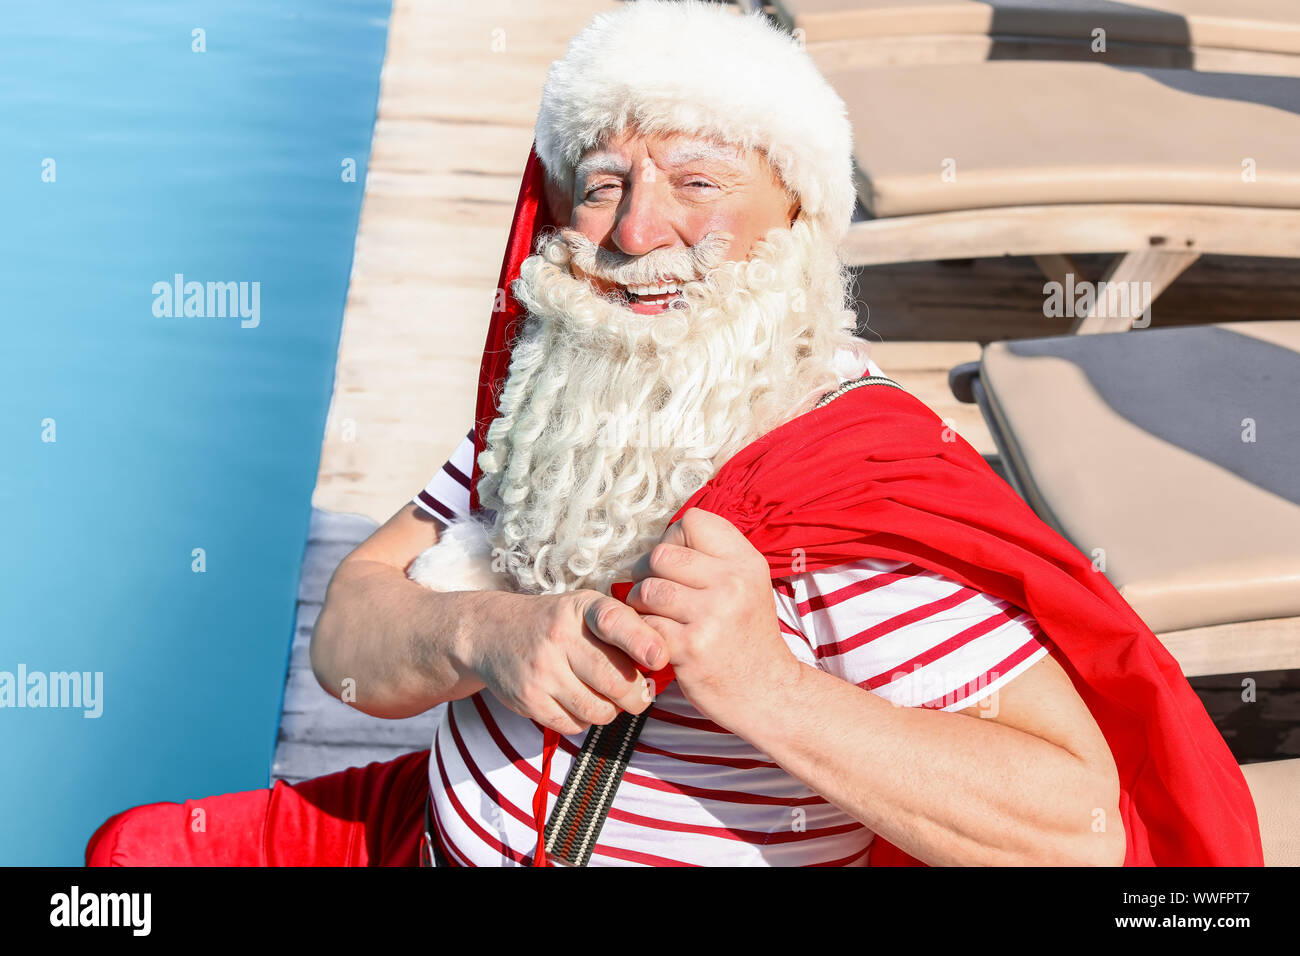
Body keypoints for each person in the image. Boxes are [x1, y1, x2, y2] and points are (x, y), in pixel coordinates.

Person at [86, 0, 1261, 868]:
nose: (637, 229)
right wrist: (484, 631)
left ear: (794, 216)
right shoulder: (555, 400)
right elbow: (349, 636)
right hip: (428, 838)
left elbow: (1079, 827)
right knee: (128, 863)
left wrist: (760, 682)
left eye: (699, 184)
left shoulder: (846, 492)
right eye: (600, 184)